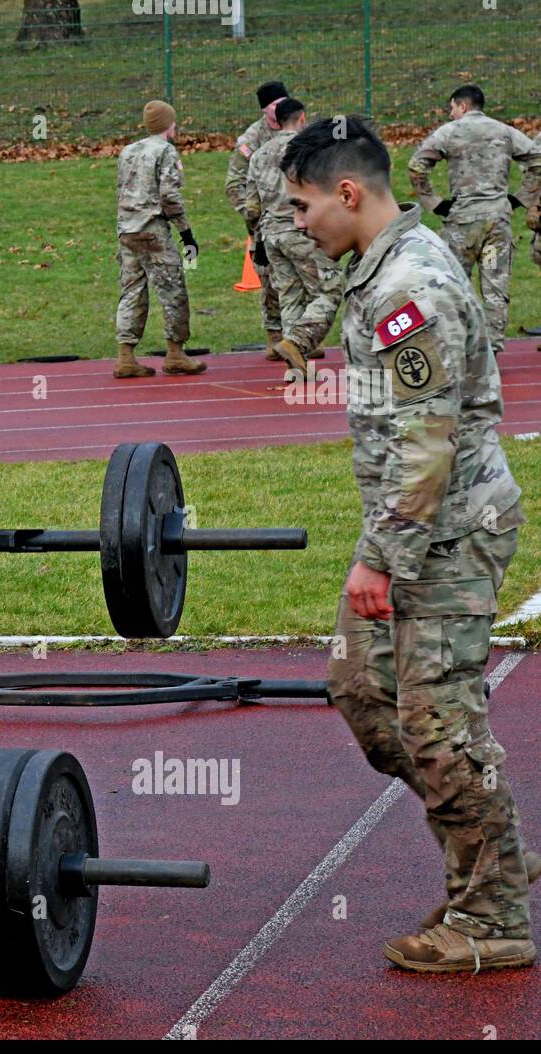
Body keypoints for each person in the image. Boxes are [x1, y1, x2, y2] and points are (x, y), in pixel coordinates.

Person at [283, 116, 538, 973]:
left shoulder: (409, 289)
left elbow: (428, 443)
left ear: (346, 194)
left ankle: (492, 913)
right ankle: (492, 851)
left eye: (301, 204)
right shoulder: (380, 270)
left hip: (449, 532)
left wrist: (379, 559)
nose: (295, 223)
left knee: (439, 724)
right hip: (412, 523)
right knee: (360, 688)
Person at [408, 85, 541, 354]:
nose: (451, 113)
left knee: (454, 283)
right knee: (495, 283)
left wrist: (434, 203)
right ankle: (492, 345)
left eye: (452, 108)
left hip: (462, 224)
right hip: (497, 221)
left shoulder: (449, 132)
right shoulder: (504, 131)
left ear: (462, 106)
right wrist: (520, 198)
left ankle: (456, 343)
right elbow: (537, 159)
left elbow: (416, 165)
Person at [245, 100, 342, 377]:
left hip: (271, 232)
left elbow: (251, 205)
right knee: (326, 289)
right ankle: (301, 343)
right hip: (303, 230)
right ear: (302, 118)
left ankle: (295, 364)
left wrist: (257, 238)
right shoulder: (309, 149)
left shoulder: (259, 154)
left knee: (289, 296)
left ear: (275, 121)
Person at [113, 100, 206, 379]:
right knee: (173, 290)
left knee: (131, 291)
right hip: (153, 229)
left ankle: (126, 356)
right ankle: (176, 353)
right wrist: (186, 232)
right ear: (168, 124)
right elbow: (169, 195)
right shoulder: (165, 151)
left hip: (127, 229)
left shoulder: (128, 151)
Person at [226, 80, 290, 360]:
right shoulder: (251, 140)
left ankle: (300, 336)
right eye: (276, 106)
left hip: (296, 217)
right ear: (265, 110)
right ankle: (275, 337)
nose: (281, 110)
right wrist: (251, 216)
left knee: (301, 278)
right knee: (270, 281)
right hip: (264, 222)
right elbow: (233, 183)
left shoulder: (297, 128)